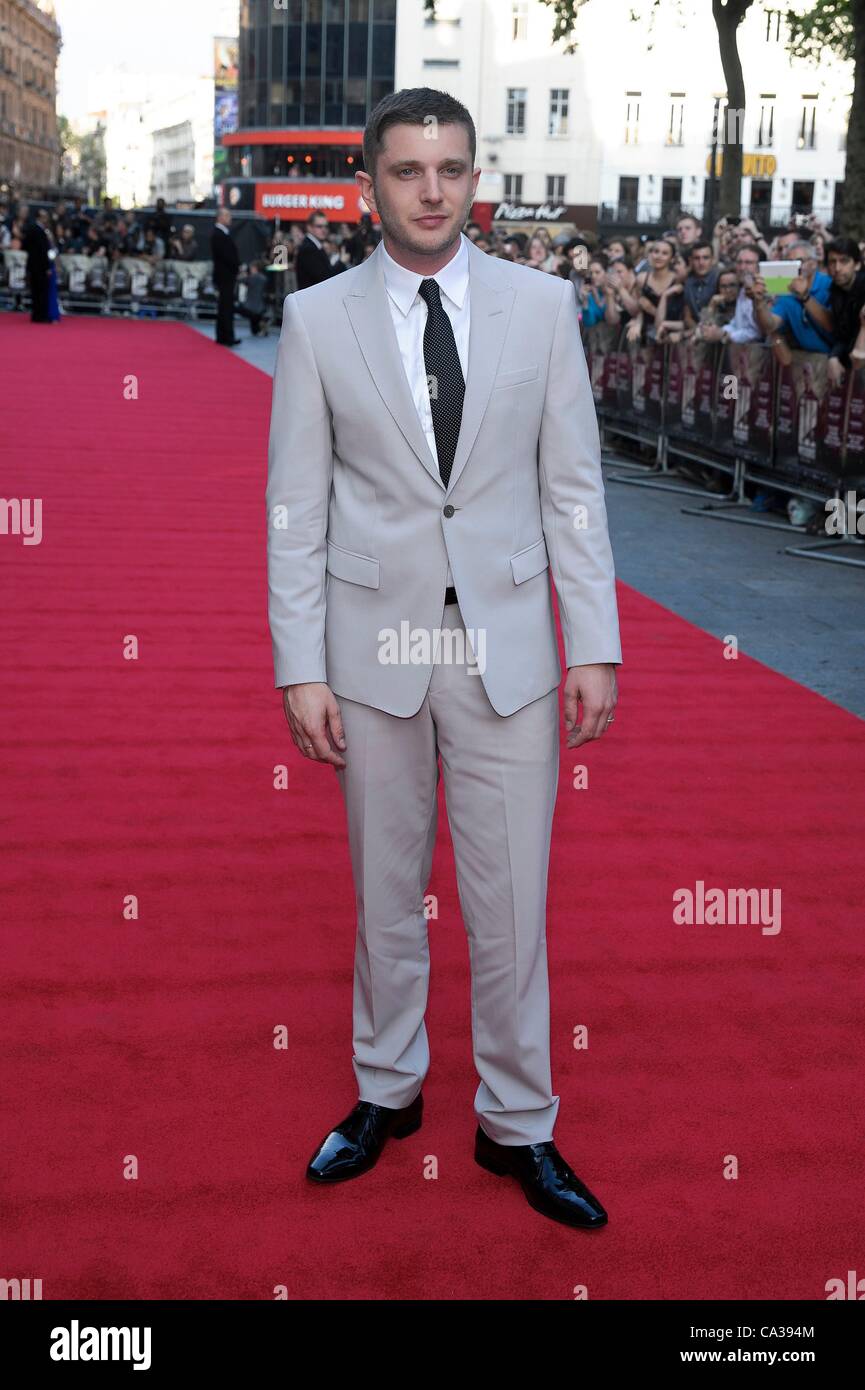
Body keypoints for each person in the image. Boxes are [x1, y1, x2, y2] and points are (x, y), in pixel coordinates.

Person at [266, 86, 622, 1231]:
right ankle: (387, 1091)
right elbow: (295, 509)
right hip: (371, 650)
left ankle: (519, 1120)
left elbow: (572, 491)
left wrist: (595, 641)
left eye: (452, 169)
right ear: (368, 182)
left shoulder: (543, 307)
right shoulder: (318, 319)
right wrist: (298, 664)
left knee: (511, 903)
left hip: (508, 648)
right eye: (409, 169)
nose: (431, 190)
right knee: (384, 894)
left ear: (479, 179)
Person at [210, 208, 240, 346]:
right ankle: (227, 336)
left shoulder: (222, 233)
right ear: (220, 217)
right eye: (227, 215)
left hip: (226, 275)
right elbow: (227, 256)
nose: (230, 218)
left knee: (224, 306)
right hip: (225, 276)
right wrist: (237, 266)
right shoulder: (219, 234)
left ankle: (223, 335)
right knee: (226, 307)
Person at [22, 207, 52, 323]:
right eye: (44, 216)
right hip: (40, 266)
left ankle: (37, 315)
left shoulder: (33, 229)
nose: (46, 219)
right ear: (39, 217)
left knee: (36, 291)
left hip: (33, 264)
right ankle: (40, 316)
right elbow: (43, 251)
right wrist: (47, 267)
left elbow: (25, 245)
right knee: (40, 291)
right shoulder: (38, 230)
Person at [295, 212, 337, 289]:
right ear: (309, 227)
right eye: (319, 226)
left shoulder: (314, 246)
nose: (324, 230)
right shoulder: (308, 249)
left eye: (326, 226)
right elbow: (325, 278)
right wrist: (337, 262)